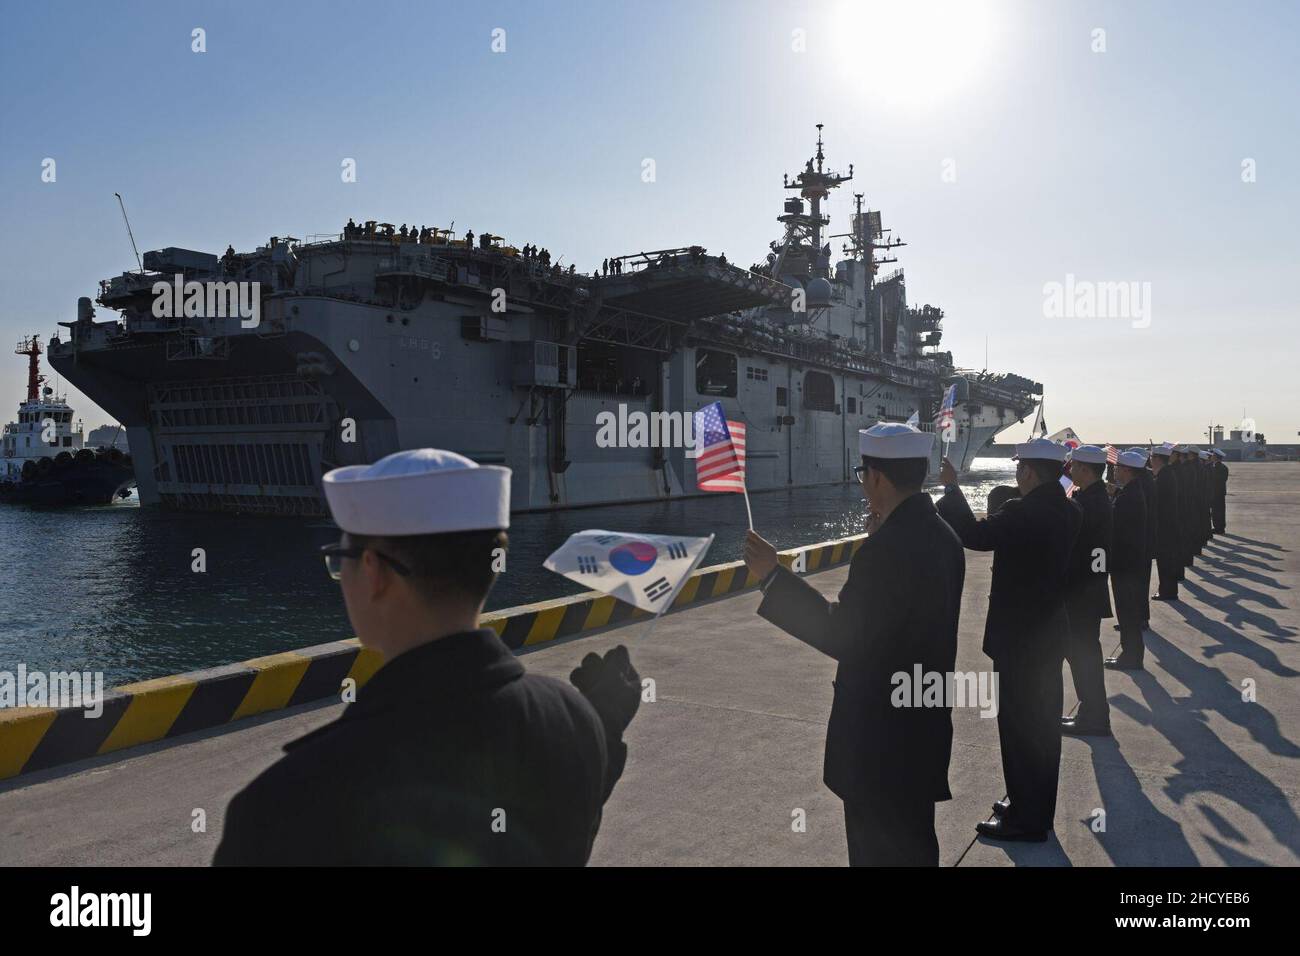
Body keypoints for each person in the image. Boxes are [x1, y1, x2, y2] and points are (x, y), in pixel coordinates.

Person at [213, 449, 640, 866]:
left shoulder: (283, 804)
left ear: (375, 572)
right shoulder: (577, 725)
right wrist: (601, 727)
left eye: (339, 561)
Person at [743, 422, 964, 866]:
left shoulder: (885, 552)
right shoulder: (946, 538)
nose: (862, 484)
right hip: (920, 729)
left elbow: (845, 633)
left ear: (878, 477)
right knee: (915, 846)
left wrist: (772, 578)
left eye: (863, 474)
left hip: (879, 743)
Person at [936, 437, 1080, 842]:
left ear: (1028, 472)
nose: (1017, 474)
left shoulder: (1023, 512)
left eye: (1020, 468)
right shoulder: (1071, 511)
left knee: (1018, 730)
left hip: (1020, 640)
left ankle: (1024, 821)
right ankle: (1031, 805)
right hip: (1049, 635)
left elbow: (973, 535)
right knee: (1042, 730)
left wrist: (951, 488)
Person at [1060, 445, 1113, 737]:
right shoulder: (1093, 499)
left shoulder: (1090, 505)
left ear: (1084, 469)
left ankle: (1094, 718)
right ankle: (1091, 713)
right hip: (1087, 593)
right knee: (1083, 656)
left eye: (1074, 466)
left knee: (1084, 658)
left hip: (1082, 596)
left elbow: (1089, 555)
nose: (1070, 470)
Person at [1106, 449, 1150, 671]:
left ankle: (1131, 657)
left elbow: (1116, 525)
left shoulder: (1129, 496)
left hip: (1125, 563)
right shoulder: (1131, 491)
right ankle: (1130, 654)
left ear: (1127, 471)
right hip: (1130, 561)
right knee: (1128, 611)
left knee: (1128, 611)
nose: (1115, 471)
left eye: (1117, 468)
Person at [1149, 444, 1182, 602]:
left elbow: (1156, 500)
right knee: (1167, 560)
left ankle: (1167, 592)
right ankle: (1168, 590)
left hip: (1165, 525)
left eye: (1152, 457)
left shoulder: (1164, 476)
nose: (1150, 460)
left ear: (1157, 459)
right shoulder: (1166, 473)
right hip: (1168, 524)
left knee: (1166, 561)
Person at [1211, 449, 1229, 533]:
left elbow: (1220, 480)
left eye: (1213, 455)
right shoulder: (1218, 466)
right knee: (1217, 511)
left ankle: (1219, 528)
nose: (1212, 456)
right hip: (1218, 492)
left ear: (1217, 457)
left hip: (1217, 492)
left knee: (1218, 511)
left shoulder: (1220, 468)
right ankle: (1218, 527)